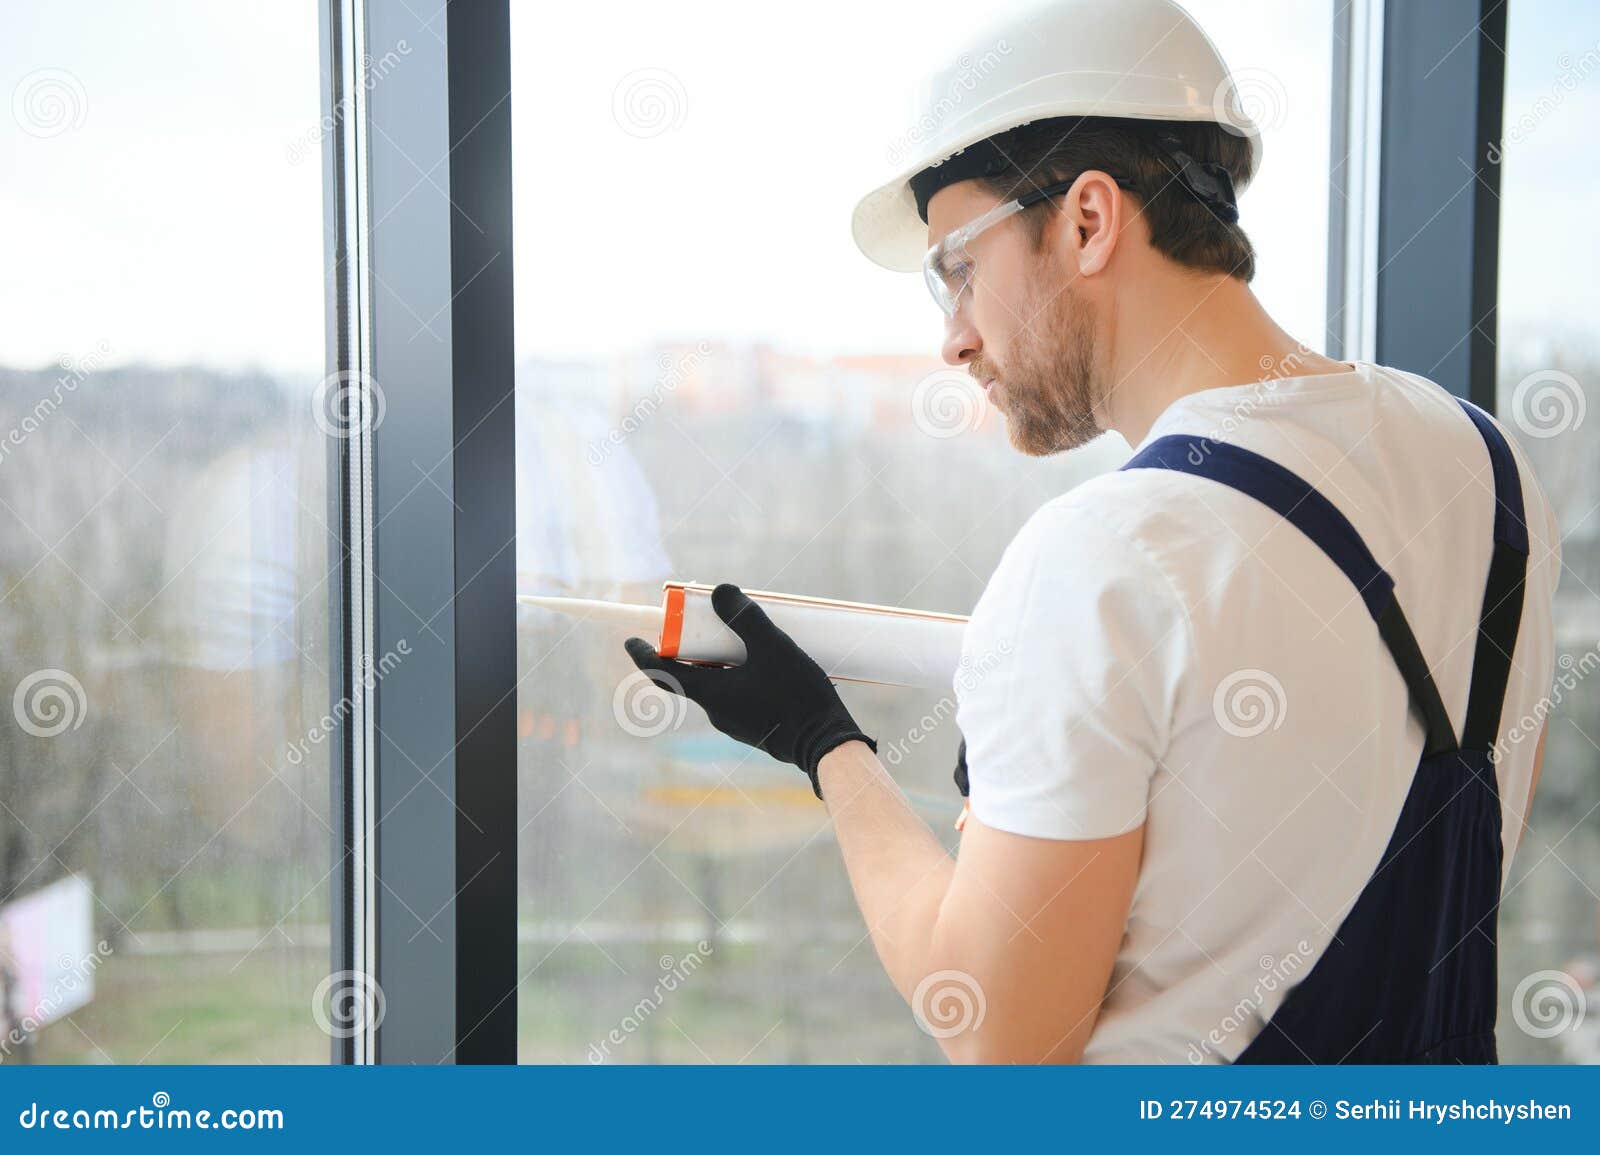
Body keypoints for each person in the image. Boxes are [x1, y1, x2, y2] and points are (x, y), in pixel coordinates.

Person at [626, 0, 1558, 1063]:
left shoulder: (1105, 555)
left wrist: (822, 744)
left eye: (957, 269)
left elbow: (998, 1038)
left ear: (1086, 220)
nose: (952, 339)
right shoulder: (1482, 462)